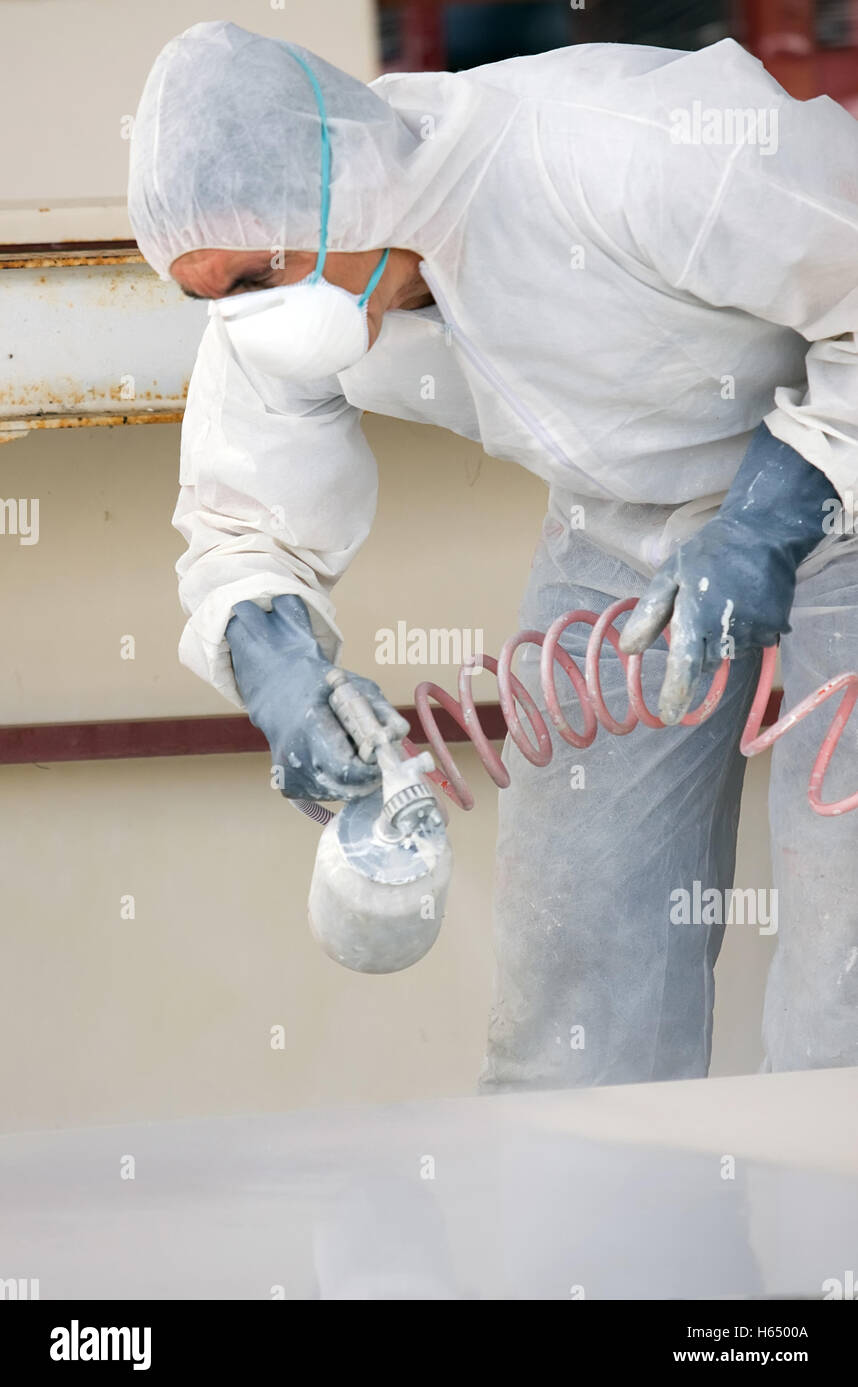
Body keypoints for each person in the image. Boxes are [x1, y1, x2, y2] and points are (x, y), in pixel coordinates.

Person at [128, 20, 858, 1088]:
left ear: (353, 190)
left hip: (840, 473)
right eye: (208, 295)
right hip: (624, 523)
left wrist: (769, 517)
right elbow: (243, 518)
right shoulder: (277, 271)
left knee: (844, 966)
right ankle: (593, 1246)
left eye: (257, 275)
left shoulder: (613, 150)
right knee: (576, 965)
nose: (245, 316)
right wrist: (274, 655)